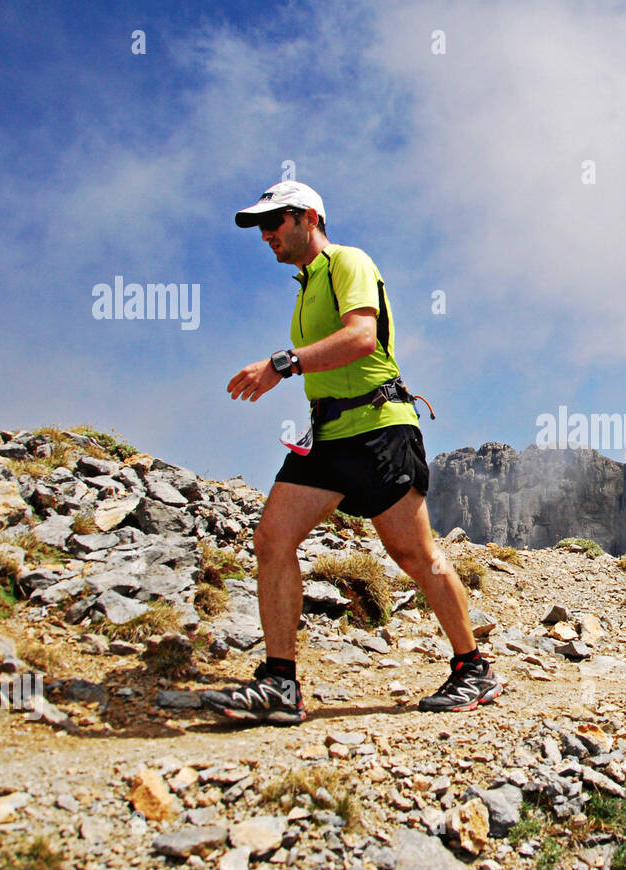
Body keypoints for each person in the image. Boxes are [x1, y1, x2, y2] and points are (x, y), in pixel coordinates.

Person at [200, 180, 502, 724]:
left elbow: (362, 337)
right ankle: (279, 684)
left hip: (381, 429)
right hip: (328, 438)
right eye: (260, 226)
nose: (266, 233)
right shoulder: (306, 284)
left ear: (309, 217)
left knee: (413, 556)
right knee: (272, 537)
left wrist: (280, 365)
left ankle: (472, 668)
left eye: (276, 221)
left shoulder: (348, 262)